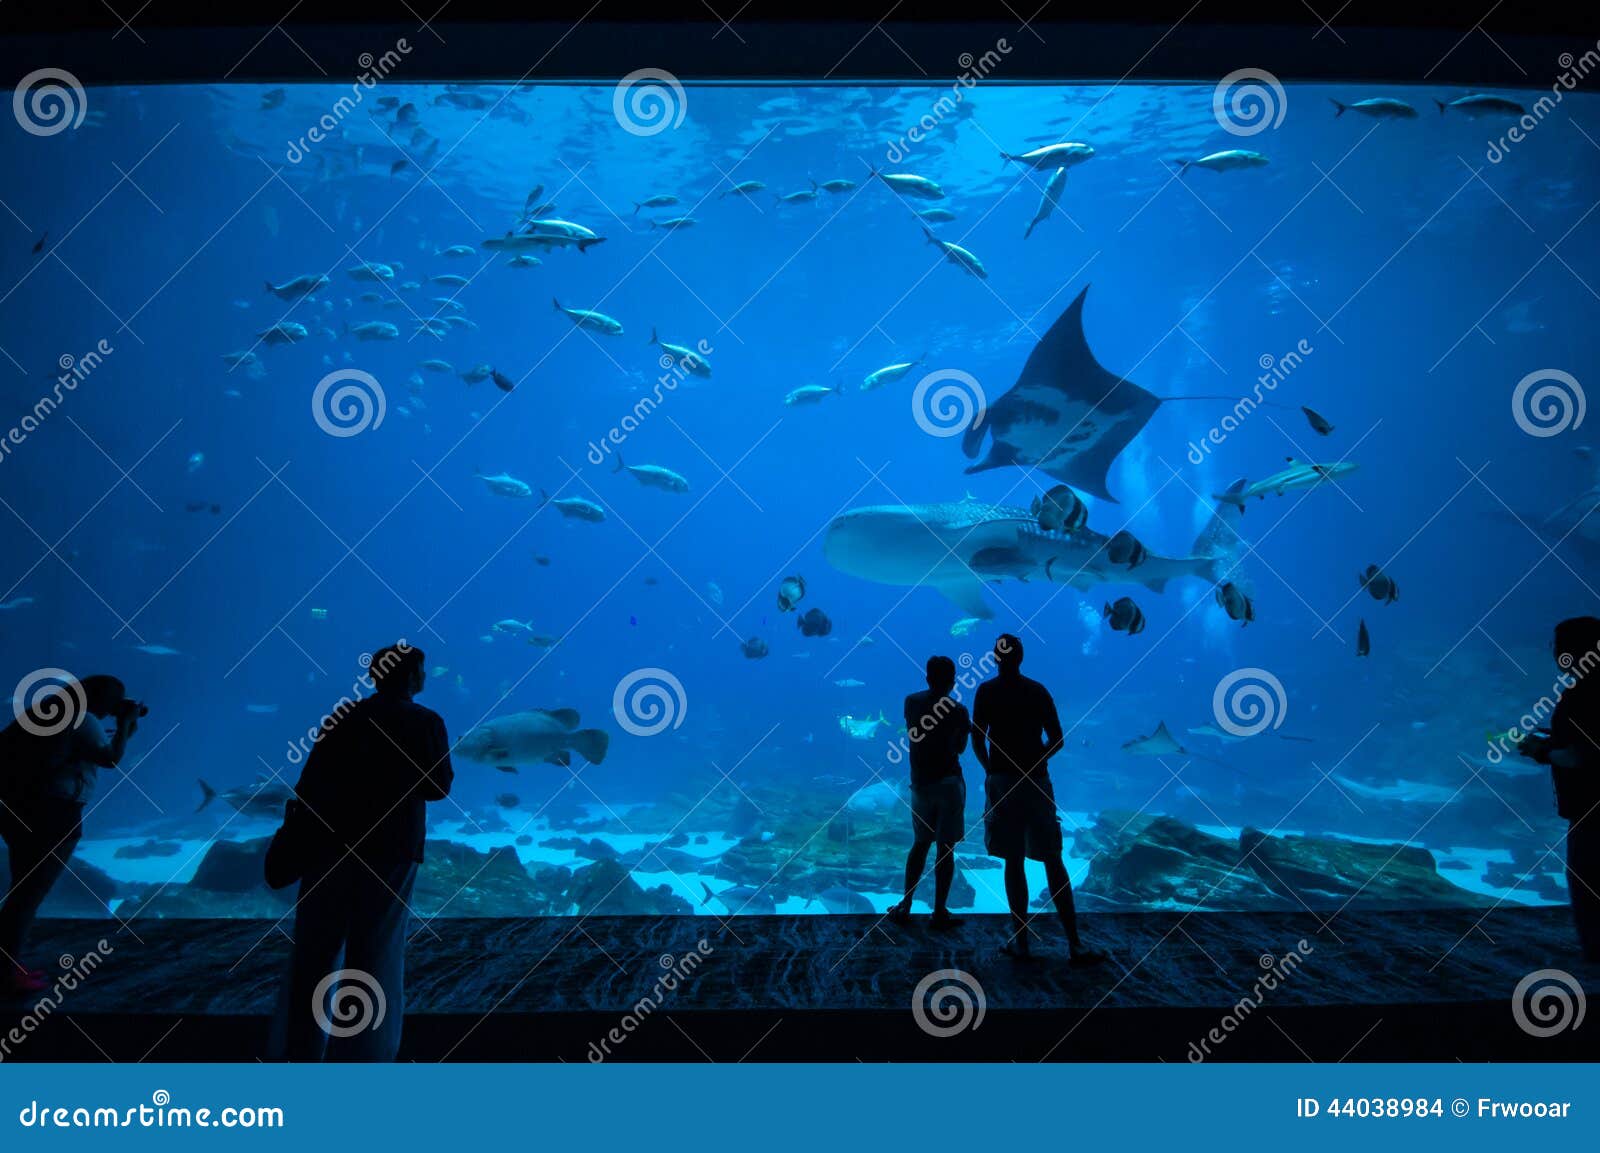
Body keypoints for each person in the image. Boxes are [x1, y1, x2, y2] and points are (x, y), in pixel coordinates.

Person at [275, 643, 453, 1060]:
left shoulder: (342, 717)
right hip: (392, 849)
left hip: (329, 846)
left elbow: (309, 783)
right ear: (411, 677)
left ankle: (300, 1053)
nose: (424, 677)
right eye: (421, 671)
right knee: (377, 950)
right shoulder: (425, 721)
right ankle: (365, 1057)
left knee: (316, 949)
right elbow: (439, 788)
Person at [0, 675, 140, 994]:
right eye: (115, 700)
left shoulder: (47, 710)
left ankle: (6, 962)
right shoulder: (82, 717)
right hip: (54, 814)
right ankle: (5, 975)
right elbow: (109, 759)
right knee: (28, 896)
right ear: (102, 699)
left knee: (20, 891)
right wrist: (125, 727)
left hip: (16, 809)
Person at [970, 635, 1105, 966]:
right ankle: (1074, 943)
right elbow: (1057, 738)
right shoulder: (1037, 690)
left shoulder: (987, 692)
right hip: (1037, 780)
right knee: (1053, 858)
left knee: (1013, 860)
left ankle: (1022, 942)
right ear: (1021, 657)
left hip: (1002, 781)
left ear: (995, 658)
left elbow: (977, 735)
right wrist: (1036, 760)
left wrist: (990, 770)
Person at [1518, 616, 1600, 961]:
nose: (1554, 652)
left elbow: (1579, 757)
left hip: (1591, 808)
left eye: (1558, 645)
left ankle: (1596, 966)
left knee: (1588, 886)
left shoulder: (1584, 692)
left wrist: (1542, 751)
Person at [887, 655, 968, 929]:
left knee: (920, 843)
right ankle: (939, 911)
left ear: (927, 678)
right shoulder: (959, 710)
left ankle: (906, 904)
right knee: (946, 849)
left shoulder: (912, 702)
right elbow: (960, 748)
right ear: (952, 680)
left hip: (921, 784)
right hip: (948, 784)